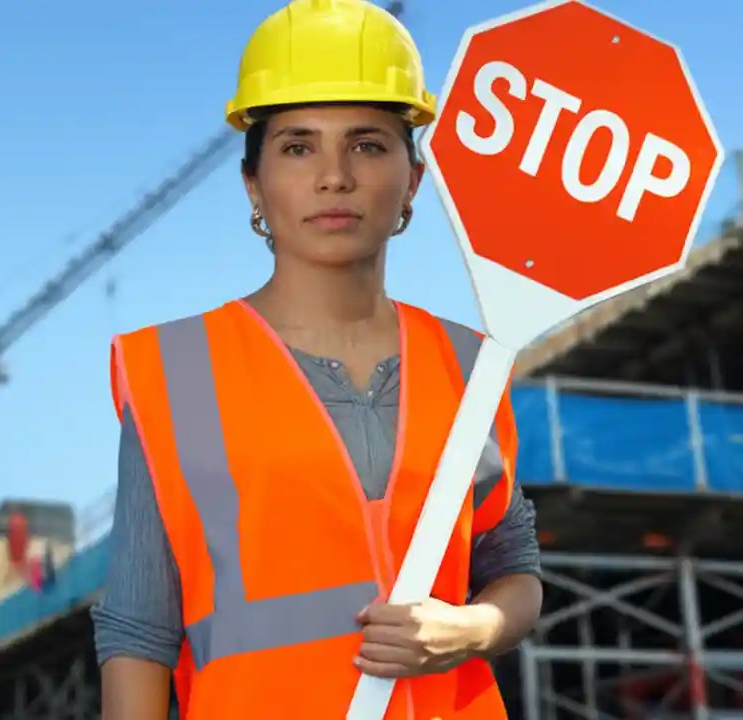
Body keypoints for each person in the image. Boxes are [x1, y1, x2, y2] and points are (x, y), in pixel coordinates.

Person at [91, 0, 543, 717]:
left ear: (414, 181)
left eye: (366, 144)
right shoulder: (173, 369)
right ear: (254, 186)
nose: (334, 177)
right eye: (298, 146)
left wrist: (472, 629)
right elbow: (139, 628)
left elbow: (512, 568)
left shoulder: (469, 363)